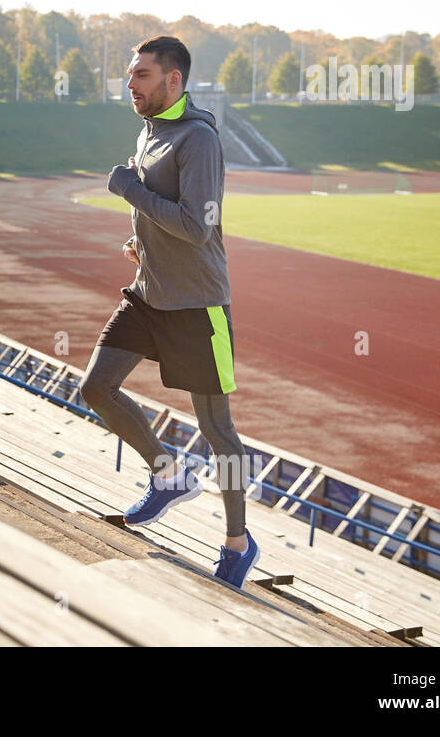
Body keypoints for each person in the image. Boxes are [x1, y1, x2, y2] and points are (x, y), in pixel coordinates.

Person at [78, 35, 260, 590]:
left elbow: (197, 225)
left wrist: (129, 189)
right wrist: (139, 243)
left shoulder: (198, 139)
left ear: (172, 80)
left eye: (141, 75)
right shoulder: (149, 129)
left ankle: (238, 541)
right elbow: (160, 217)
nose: (130, 84)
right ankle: (170, 475)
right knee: (95, 389)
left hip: (196, 306)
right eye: (130, 74)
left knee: (217, 428)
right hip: (148, 293)